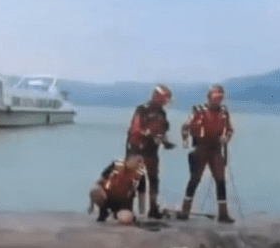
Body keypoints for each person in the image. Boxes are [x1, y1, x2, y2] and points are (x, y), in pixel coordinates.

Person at [176, 84, 235, 223]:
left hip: (216, 149)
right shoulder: (199, 111)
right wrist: (185, 141)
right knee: (195, 179)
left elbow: (229, 130)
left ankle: (223, 214)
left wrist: (226, 138)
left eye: (220, 97)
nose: (217, 100)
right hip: (201, 149)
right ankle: (185, 211)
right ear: (209, 97)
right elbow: (185, 126)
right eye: (215, 97)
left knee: (221, 182)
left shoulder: (224, 113)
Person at [125, 84, 176, 219]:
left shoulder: (161, 113)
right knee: (133, 181)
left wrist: (165, 142)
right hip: (137, 150)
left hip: (152, 151)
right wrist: (150, 135)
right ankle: (127, 208)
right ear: (158, 97)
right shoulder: (142, 110)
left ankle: (153, 208)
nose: (165, 102)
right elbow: (136, 130)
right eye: (164, 99)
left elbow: (162, 131)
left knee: (153, 180)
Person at [88, 154, 148, 223]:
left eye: (140, 162)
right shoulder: (116, 165)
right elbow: (99, 180)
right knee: (95, 190)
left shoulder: (140, 175)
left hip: (123, 204)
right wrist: (91, 204)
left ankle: (118, 214)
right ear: (129, 159)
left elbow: (142, 195)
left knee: (126, 218)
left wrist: (142, 214)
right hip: (107, 197)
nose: (138, 163)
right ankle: (103, 211)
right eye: (137, 161)